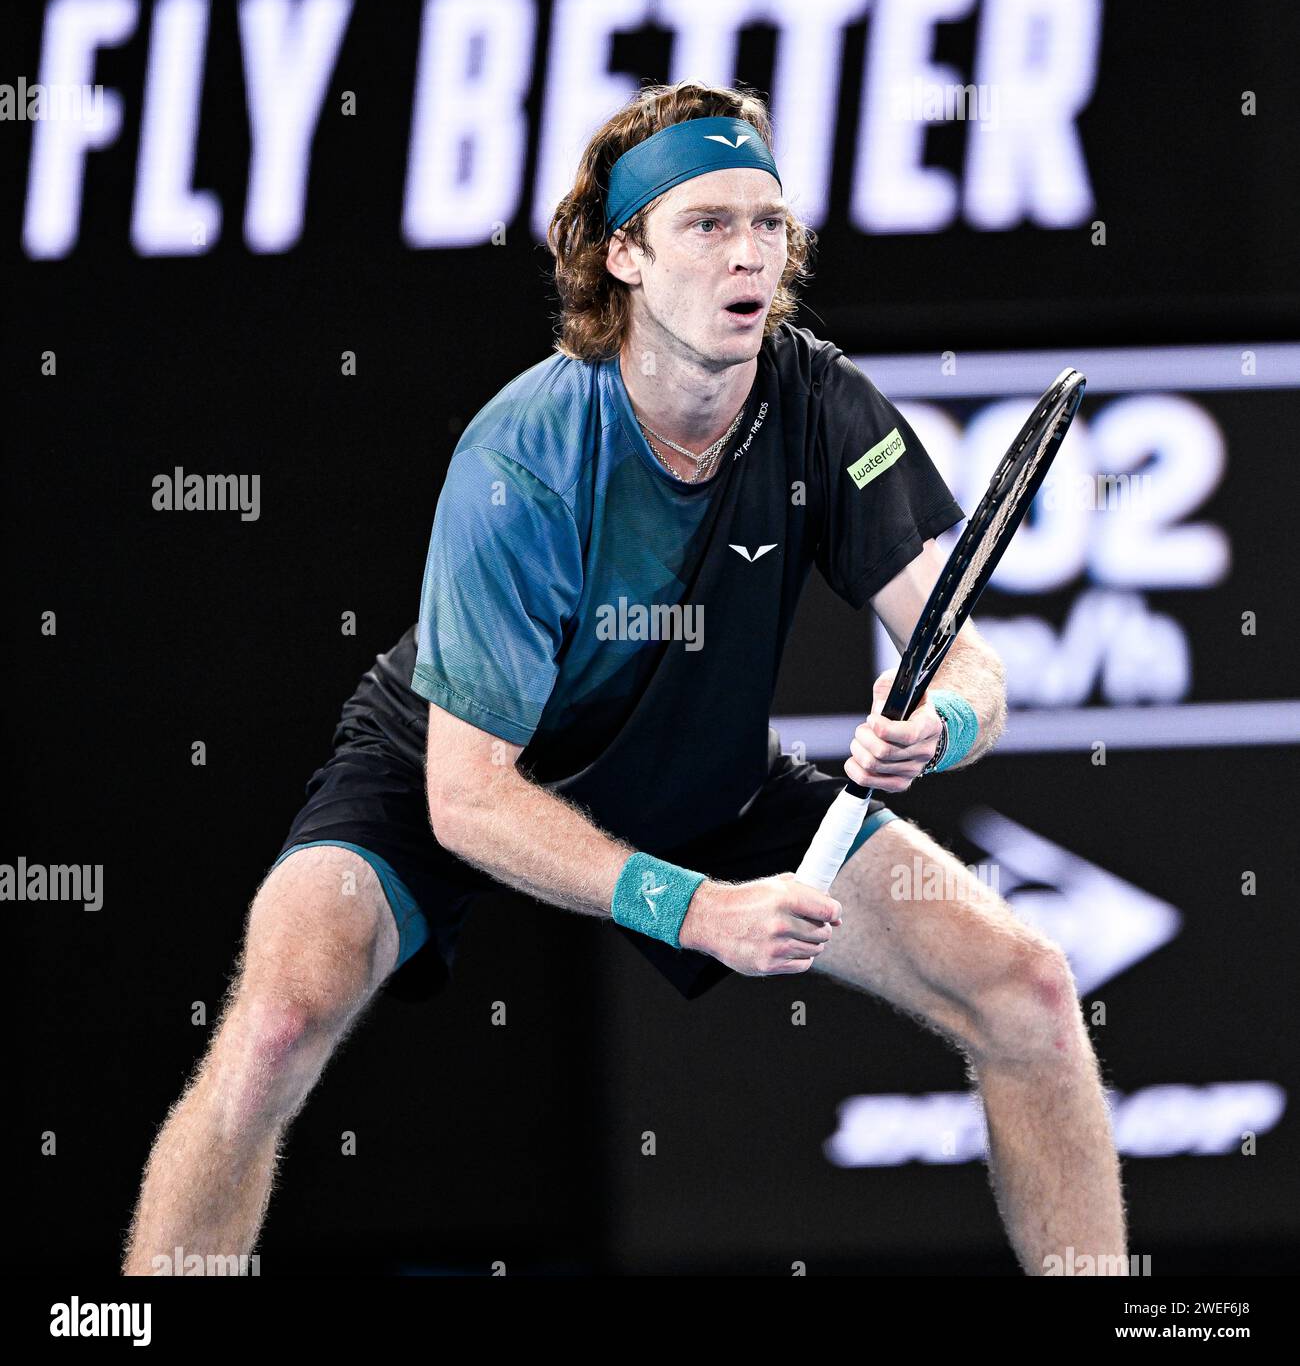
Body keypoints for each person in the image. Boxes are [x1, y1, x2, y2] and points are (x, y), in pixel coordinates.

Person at [122, 80, 1127, 1276]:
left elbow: (963, 651)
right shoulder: (522, 458)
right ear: (627, 256)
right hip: (450, 757)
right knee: (275, 1026)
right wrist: (701, 910)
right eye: (707, 224)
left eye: (768, 223)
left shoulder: (822, 403)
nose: (748, 252)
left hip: (691, 770)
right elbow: (468, 801)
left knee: (1028, 991)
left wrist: (943, 724)